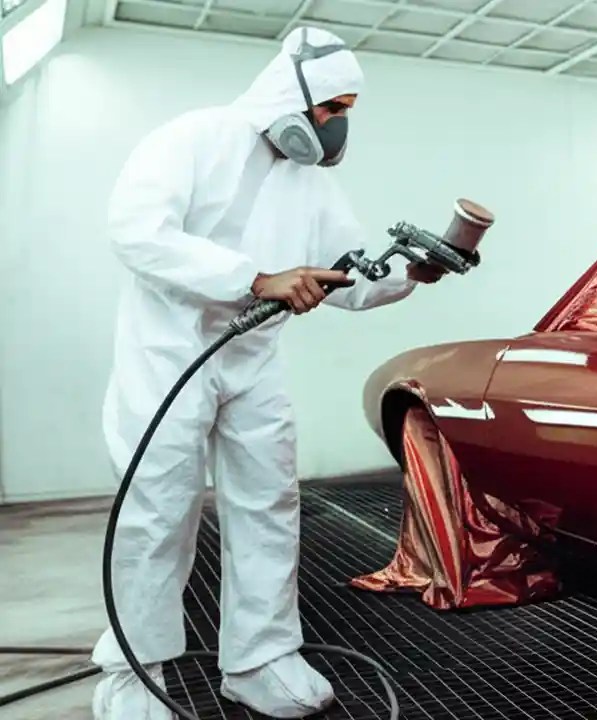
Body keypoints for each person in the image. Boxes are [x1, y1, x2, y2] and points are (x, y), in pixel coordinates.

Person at [91, 27, 442, 719]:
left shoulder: (308, 183)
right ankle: (134, 669)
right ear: (291, 96)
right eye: (330, 105)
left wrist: (407, 276)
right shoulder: (193, 138)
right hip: (169, 355)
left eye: (346, 109)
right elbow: (136, 230)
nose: (336, 124)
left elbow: (345, 271)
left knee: (269, 505)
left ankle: (259, 658)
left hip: (252, 361)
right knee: (157, 511)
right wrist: (253, 277)